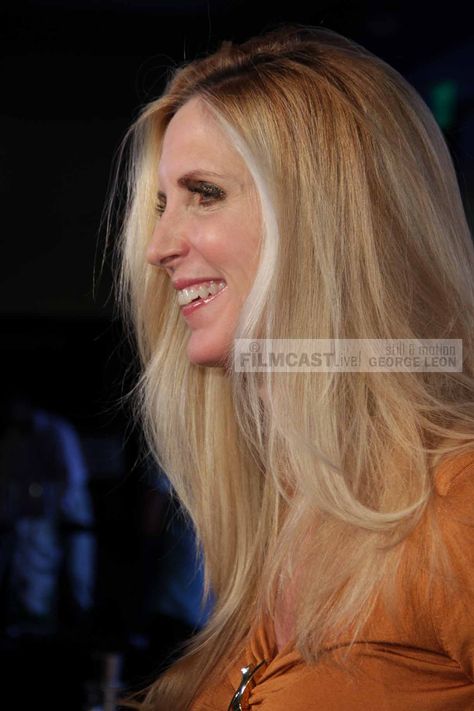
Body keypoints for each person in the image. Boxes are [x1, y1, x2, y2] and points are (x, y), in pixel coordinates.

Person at [112, 24, 474, 710]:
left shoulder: (457, 508)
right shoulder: (281, 519)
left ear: (324, 215)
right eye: (162, 204)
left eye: (204, 193)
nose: (158, 246)